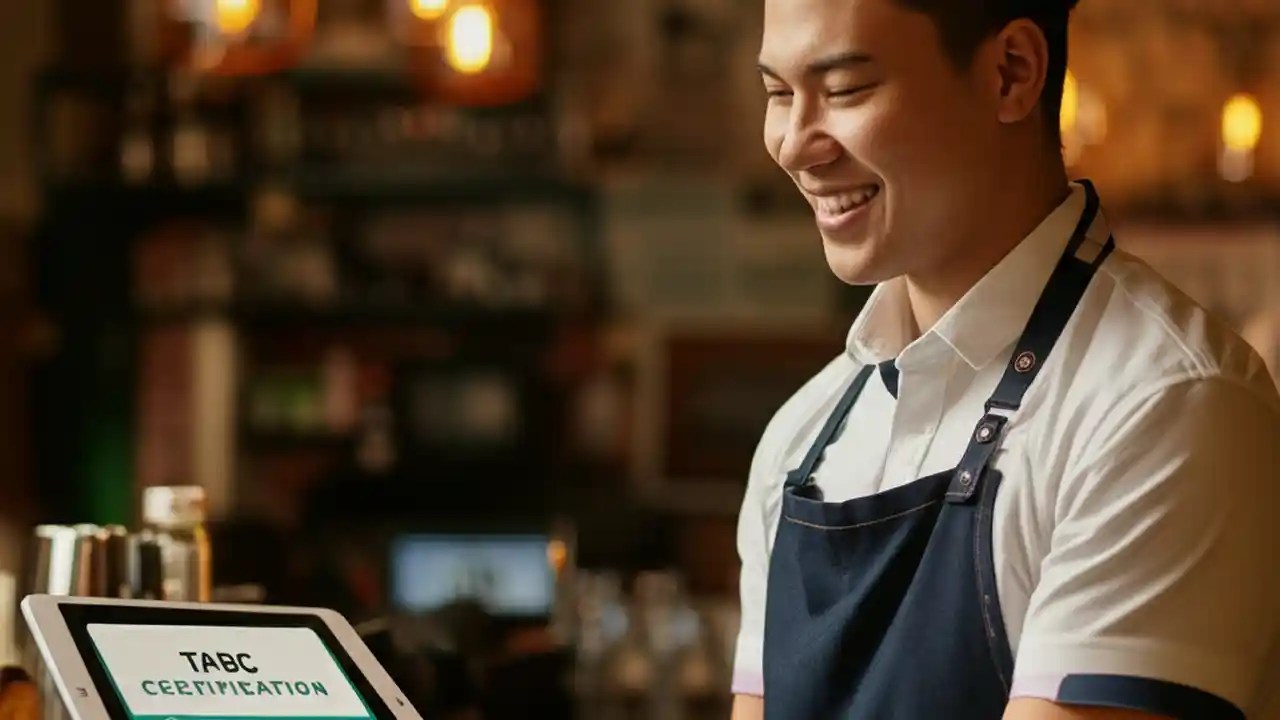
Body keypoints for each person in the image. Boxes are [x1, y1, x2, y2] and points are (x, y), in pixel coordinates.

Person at [731, 1, 1280, 719]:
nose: (795, 145)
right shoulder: (799, 442)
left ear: (1011, 73)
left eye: (844, 91)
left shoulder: (1166, 407)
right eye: (779, 94)